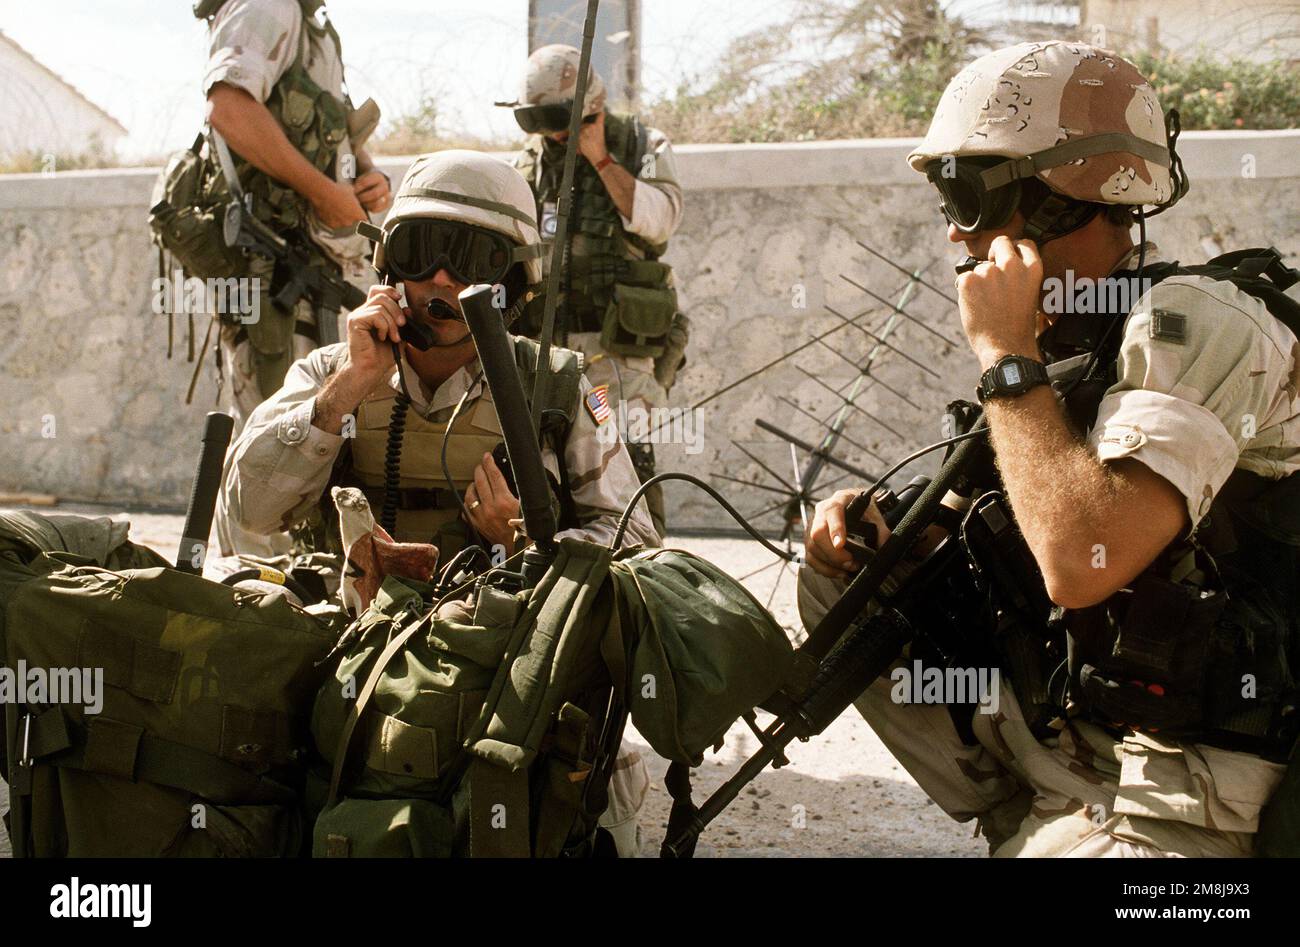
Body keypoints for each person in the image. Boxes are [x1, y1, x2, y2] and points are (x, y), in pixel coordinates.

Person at [799, 40, 1299, 857]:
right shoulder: (1064, 340)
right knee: (846, 583)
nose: (957, 233)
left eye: (969, 195)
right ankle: (1028, 816)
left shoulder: (1202, 319)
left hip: (1191, 789)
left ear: (1068, 196)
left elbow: (1082, 556)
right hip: (1082, 740)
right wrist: (891, 538)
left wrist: (1004, 358)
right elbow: (1010, 539)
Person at [504, 44, 689, 538]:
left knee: (626, 457)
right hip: (547, 347)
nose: (552, 135)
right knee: (545, 463)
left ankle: (646, 571)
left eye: (559, 121)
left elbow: (659, 220)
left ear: (592, 108)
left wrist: (600, 158)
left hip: (614, 355)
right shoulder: (525, 165)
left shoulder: (643, 146)